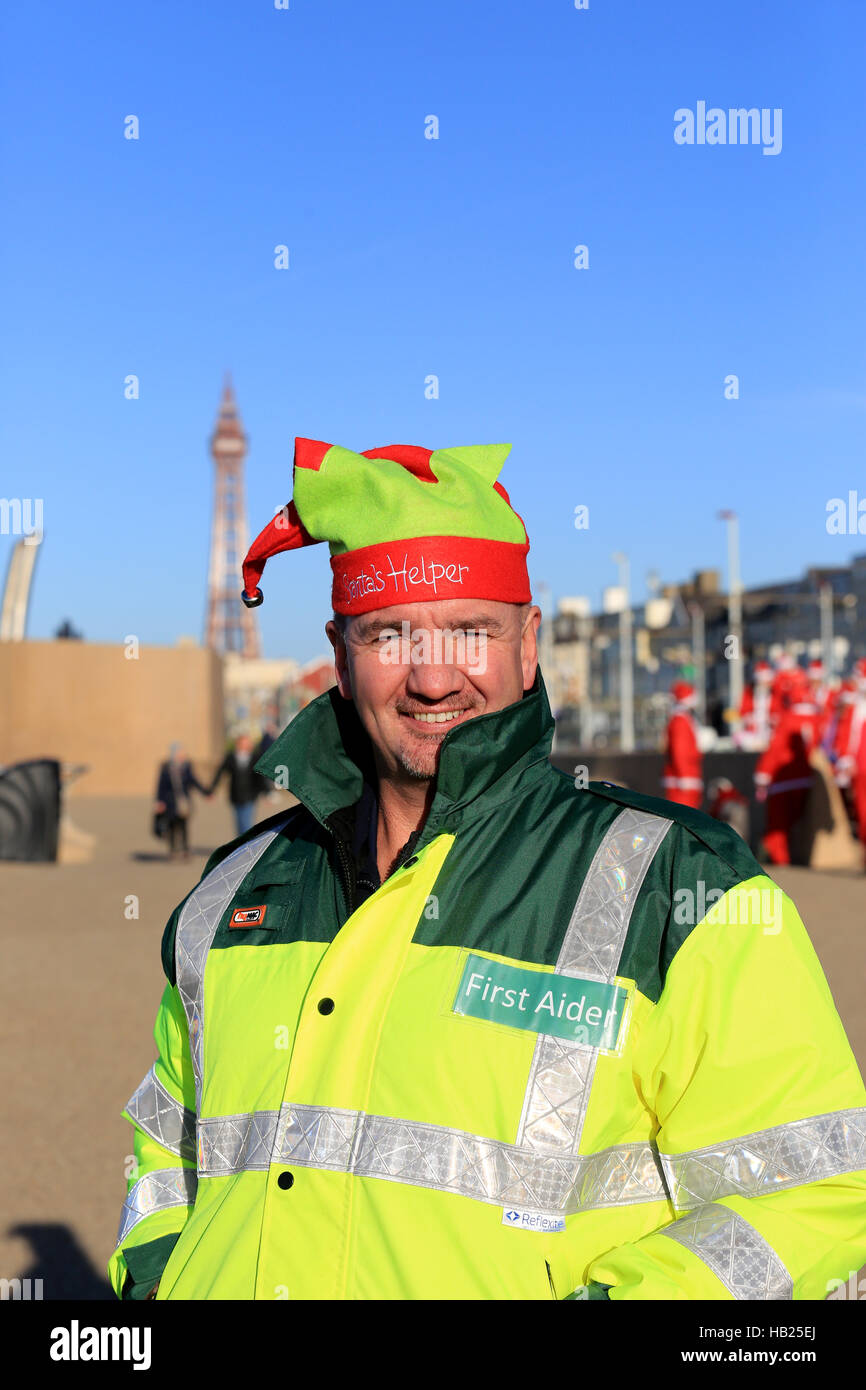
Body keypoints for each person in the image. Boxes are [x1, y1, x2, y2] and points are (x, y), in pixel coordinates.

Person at [111, 438, 866, 1301]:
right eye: (389, 632)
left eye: (471, 631)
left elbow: (812, 1193)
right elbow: (166, 1158)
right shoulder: (234, 891)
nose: (433, 678)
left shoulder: (677, 886)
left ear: (529, 642)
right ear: (341, 648)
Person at [753, 669, 815, 865]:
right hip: (807, 778)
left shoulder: (787, 719)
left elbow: (776, 748)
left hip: (784, 780)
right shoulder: (817, 717)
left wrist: (762, 773)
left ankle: (783, 864)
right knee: (799, 825)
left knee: (777, 828)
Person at [153, 743, 209, 861]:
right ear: (174, 754)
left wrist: (205, 792)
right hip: (170, 802)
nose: (182, 755)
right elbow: (160, 785)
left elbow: (193, 781)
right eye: (180, 753)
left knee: (184, 825)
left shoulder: (186, 766)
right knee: (172, 826)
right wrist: (159, 801)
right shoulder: (166, 767)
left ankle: (185, 849)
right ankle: (173, 850)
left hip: (184, 802)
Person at [208, 732, 267, 837]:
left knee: (246, 823)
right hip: (235, 795)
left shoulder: (255, 757)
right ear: (237, 744)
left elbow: (260, 778)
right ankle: (241, 845)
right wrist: (212, 790)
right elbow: (220, 773)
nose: (244, 746)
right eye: (242, 743)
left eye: (247, 743)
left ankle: (246, 844)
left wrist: (267, 792)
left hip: (250, 795)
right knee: (239, 823)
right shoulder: (230, 757)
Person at [661, 680, 703, 808]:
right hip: (682, 779)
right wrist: (683, 775)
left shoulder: (681, 719)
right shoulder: (680, 721)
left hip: (685, 777)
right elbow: (679, 751)